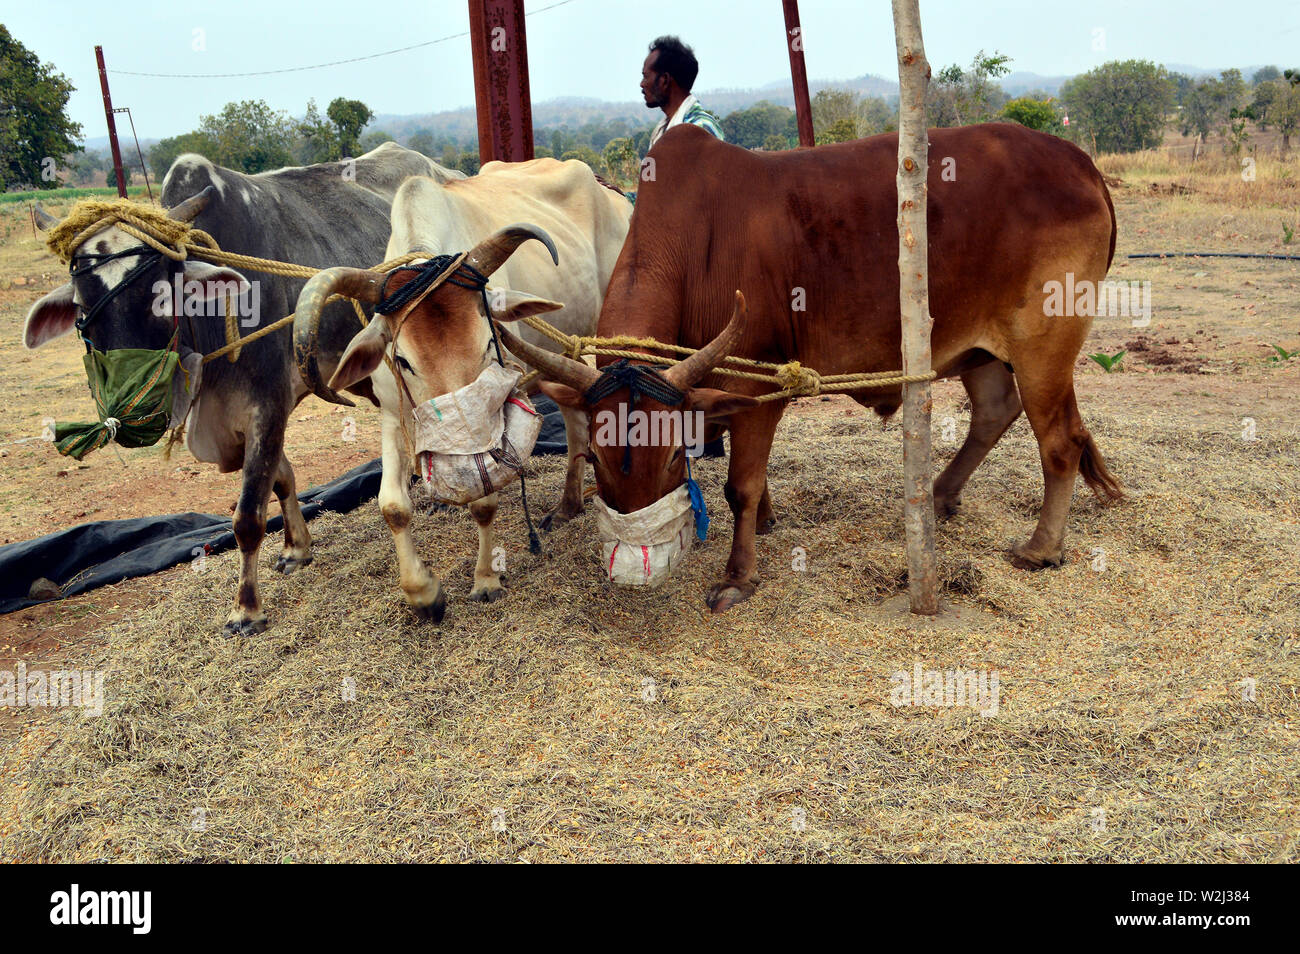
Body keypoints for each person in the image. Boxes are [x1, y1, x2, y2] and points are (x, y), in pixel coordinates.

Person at [641, 36, 723, 149]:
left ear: (664, 80)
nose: (642, 84)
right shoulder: (662, 130)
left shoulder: (701, 128)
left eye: (646, 77)